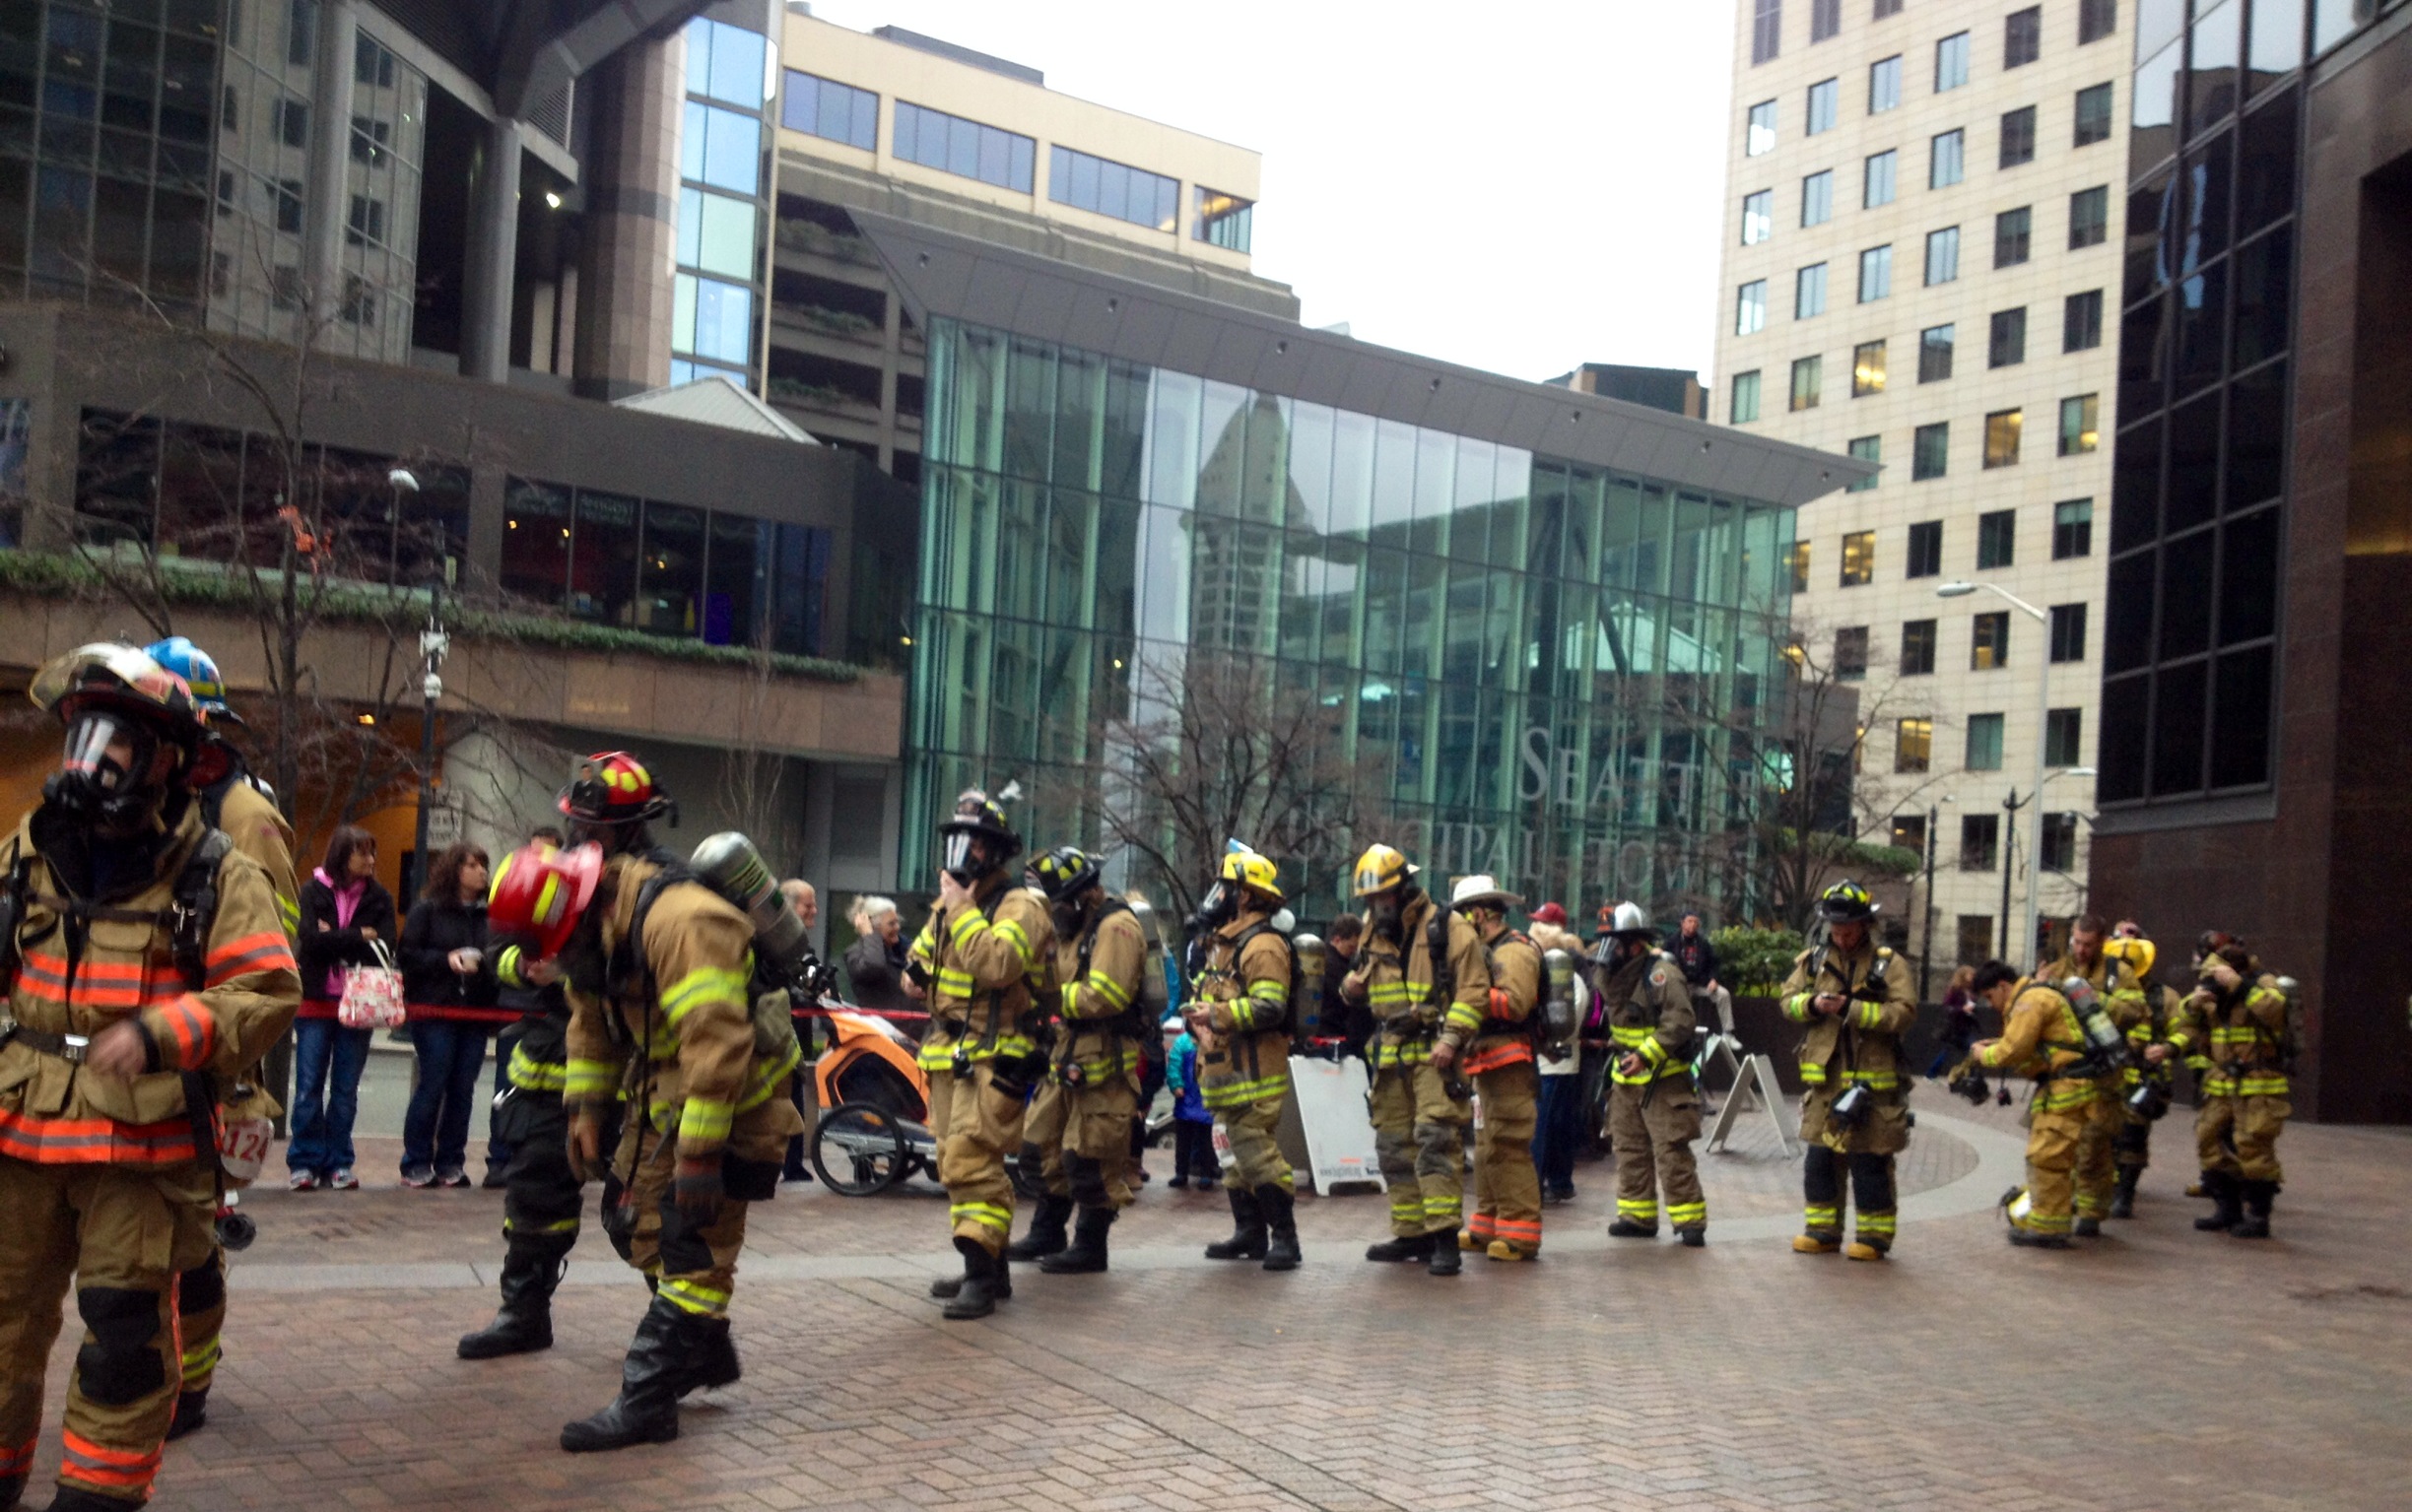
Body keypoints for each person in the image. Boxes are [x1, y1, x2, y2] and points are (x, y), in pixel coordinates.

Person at [0, 642, 301, 1511]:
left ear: (165, 759)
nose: (91, 760)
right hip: (21, 1129)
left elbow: (269, 989)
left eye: (115, 741)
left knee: (123, 1341)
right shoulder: (25, 853)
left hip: (141, 1144)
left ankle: (96, 1499)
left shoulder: (214, 869)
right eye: (81, 736)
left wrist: (166, 1029)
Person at [550, 752, 807, 1451]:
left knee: (694, 1245)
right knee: (631, 1222)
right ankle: (705, 1348)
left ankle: (649, 1398)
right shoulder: (593, 912)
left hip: (734, 1103)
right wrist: (586, 1106)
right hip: (670, 1093)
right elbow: (590, 1020)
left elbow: (717, 1048)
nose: (572, 842)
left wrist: (699, 1157)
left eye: (580, 831)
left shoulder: (683, 919)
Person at [141, 635, 302, 1443]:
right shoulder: (150, 808)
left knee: (193, 1238)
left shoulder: (244, 818)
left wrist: (236, 1072)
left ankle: (191, 1386)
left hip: (209, 1058)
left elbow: (275, 957)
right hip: (140, 1058)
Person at [457, 831, 604, 1366]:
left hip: (626, 1065)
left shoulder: (623, 899)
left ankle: (680, 1336)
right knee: (534, 1192)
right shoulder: (537, 888)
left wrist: (579, 969)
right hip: (548, 1058)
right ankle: (523, 1311)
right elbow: (498, 950)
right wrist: (523, 967)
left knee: (649, 1210)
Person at [910, 789, 1051, 1320]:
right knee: (954, 1163)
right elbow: (916, 968)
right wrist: (944, 925)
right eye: (957, 841)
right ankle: (991, 1271)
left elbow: (997, 965)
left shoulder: (1022, 906)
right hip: (949, 1053)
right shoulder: (948, 908)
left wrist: (963, 910)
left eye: (974, 845)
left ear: (995, 852)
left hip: (997, 1057)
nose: (962, 855)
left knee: (974, 1164)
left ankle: (979, 1277)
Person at [1337, 842, 1489, 1276]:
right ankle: (1411, 1233)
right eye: (1368, 899)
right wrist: (1351, 988)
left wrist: (1453, 1037)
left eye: (1380, 897)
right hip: (1390, 1054)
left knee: (1434, 1141)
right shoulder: (1372, 931)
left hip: (1434, 1052)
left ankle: (1444, 1239)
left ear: (1403, 889)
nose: (1374, 906)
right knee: (1393, 1147)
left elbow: (1474, 990)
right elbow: (1363, 983)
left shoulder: (1448, 927)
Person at [1014, 846, 1149, 1275]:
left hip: (1104, 1060)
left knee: (1089, 1156)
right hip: (1065, 1053)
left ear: (1085, 892)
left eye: (1060, 901)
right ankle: (1047, 1231)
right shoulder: (1073, 927)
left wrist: (1050, 1000)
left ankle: (1091, 1246)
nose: (1055, 911)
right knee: (1039, 1148)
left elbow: (1107, 995)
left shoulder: (1117, 926)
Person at [1777, 881, 1916, 1260]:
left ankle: (1874, 1238)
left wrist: (1851, 1010)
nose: (1841, 936)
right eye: (1835, 929)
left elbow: (1903, 1014)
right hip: (1825, 1083)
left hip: (1874, 1083)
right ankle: (1822, 1232)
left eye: (1848, 929)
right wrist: (1812, 1004)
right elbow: (1787, 1001)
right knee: (1820, 1161)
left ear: (1865, 925)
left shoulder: (1890, 964)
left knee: (1869, 1160)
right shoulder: (1814, 960)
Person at [1188, 847, 1304, 1272]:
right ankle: (1250, 1232)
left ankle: (1285, 1238)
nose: (1217, 895)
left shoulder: (1264, 946)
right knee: (1234, 1159)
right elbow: (1205, 994)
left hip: (1255, 1074)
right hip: (1223, 1070)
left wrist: (1216, 1015)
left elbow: (1270, 1007)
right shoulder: (1224, 944)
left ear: (1245, 896)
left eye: (1226, 887)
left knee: (1258, 1154)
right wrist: (1197, 1021)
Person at [287, 824, 396, 1192]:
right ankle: (303, 1162)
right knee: (308, 1085)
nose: (370, 860)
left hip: (360, 1003)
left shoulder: (379, 897)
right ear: (341, 856)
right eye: (362, 852)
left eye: (372, 852)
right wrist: (355, 935)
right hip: (317, 999)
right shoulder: (312, 890)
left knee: (345, 1088)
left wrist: (334, 936)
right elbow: (310, 940)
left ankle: (339, 1163)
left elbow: (384, 942)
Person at [1440, 876, 1545, 1261]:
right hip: (1484, 1063)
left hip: (1509, 1063)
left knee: (1509, 1146)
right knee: (1485, 1148)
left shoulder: (1513, 953)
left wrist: (1468, 996)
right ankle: (1488, 1223)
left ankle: (1520, 1233)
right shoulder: (1484, 953)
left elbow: (1515, 1004)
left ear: (1479, 914)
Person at [1592, 903, 1708, 1247]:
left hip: (1663, 1082)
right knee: (1629, 1150)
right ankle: (1637, 1216)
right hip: (1626, 1082)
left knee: (1671, 1152)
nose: (1607, 951)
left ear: (1635, 944)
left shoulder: (1661, 975)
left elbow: (1681, 1021)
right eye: (1605, 943)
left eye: (1614, 943)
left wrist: (1646, 1055)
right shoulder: (1615, 977)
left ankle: (1690, 1221)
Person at [2159, 942, 2292, 1238]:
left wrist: (2238, 985)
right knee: (2208, 1139)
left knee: (2253, 1145)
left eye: (2215, 975)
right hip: (2222, 1079)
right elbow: (2188, 1021)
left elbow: (2273, 1009)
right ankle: (2227, 1208)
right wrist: (2194, 1002)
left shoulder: (2261, 982)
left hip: (2259, 1079)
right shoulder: (2213, 993)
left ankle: (2258, 1215)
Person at [1964, 961, 2097, 1249]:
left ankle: (2048, 1229)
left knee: (2046, 1156)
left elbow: (2014, 1049)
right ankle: (2053, 1221)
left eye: (1990, 996)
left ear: (2003, 986)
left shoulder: (2029, 1001)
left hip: (2065, 1088)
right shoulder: (2035, 996)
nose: (1992, 1004)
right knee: (2054, 1155)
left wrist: (1982, 1056)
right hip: (2065, 1086)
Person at [2038, 914, 2147, 1236]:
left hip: (2103, 1075)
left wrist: (2091, 998)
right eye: (2076, 942)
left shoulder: (2119, 973)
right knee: (2060, 1143)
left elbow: (2135, 1011)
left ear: (2100, 942)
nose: (2081, 950)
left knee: (2094, 1147)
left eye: (2087, 944)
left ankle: (2090, 1212)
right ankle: (2065, 1203)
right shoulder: (2057, 970)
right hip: (2065, 1072)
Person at [398, 842, 498, 1188]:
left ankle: (451, 1161)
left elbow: (498, 958)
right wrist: (446, 960)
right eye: (472, 865)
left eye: (483, 865)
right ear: (455, 870)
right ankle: (415, 1160)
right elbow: (407, 955)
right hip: (434, 1008)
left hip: (474, 1012)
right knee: (434, 1081)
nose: (481, 872)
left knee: (463, 1087)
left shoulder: (489, 916)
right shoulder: (428, 910)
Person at [483, 824, 565, 1187]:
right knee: (509, 1089)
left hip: (564, 1017)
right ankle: (501, 1160)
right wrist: (523, 966)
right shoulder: (516, 895)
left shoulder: (573, 898)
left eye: (548, 853)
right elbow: (495, 954)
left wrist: (563, 971)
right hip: (518, 1011)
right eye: (534, 853)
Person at [2101, 935, 2181, 1218]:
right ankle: (2102, 1192)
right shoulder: (2105, 993)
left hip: (2144, 1080)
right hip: (2109, 1074)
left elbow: (2185, 1031)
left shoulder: (2164, 998)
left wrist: (2168, 1048)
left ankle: (2124, 1195)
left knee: (2133, 1139)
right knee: (2102, 1136)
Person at [1525, 906, 1588, 1205]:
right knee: (1557, 1127)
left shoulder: (1559, 980)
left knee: (1541, 1127)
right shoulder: (1572, 980)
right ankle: (1559, 1180)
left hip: (1550, 1065)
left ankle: (1534, 1181)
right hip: (1563, 1063)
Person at [776, 878, 821, 1185]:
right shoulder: (775, 945)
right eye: (808, 905)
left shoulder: (802, 946)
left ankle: (793, 1164)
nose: (815, 911)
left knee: (795, 1099)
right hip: (777, 1038)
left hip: (796, 1039)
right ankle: (786, 1163)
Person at [1165, 1013, 1218, 1187]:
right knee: (1183, 1140)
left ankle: (1207, 1172)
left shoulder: (1213, 1042)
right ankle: (1181, 1172)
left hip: (1206, 1100)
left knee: (1206, 1141)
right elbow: (1173, 1064)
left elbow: (1219, 1066)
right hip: (1186, 1098)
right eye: (1196, 1024)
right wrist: (1176, 1084)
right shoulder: (1182, 1042)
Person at [842, 895, 911, 1014]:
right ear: (872, 926)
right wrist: (870, 935)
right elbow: (874, 966)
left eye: (897, 922)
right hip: (882, 1028)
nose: (897, 927)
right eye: (891, 924)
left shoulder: (899, 948)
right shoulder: (855, 954)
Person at [1670, 912, 1731, 1034]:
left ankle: (1728, 1033)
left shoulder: (1703, 943)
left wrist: (1714, 979)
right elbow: (1663, 956)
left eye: (1695, 922)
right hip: (1681, 985)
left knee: (1723, 994)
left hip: (1700, 984)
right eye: (1690, 921)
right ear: (1682, 923)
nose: (1693, 925)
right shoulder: (1673, 941)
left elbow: (1714, 963)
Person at [1317, 913, 1366, 1055]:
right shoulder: (1332, 965)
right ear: (1337, 940)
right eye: (1351, 947)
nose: (1354, 952)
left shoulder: (1326, 959)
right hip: (1332, 1034)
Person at [1927, 965, 1979, 1078]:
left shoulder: (1971, 991)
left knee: (1971, 1050)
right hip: (1955, 1026)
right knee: (1948, 1051)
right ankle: (1931, 1073)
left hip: (1966, 1025)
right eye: (1970, 974)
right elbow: (1947, 1007)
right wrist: (1961, 1009)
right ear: (1963, 976)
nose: (1972, 977)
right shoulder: (1955, 990)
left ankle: (1972, 1076)